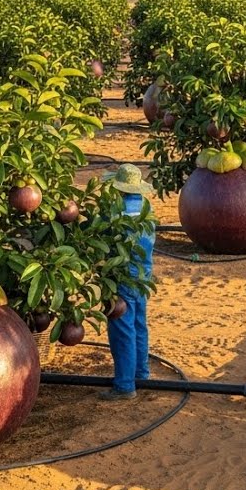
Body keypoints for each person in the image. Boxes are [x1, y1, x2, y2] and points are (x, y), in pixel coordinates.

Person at [98, 163, 158, 401]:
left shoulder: (115, 212)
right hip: (143, 276)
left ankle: (124, 385)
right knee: (139, 325)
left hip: (122, 276)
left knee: (122, 330)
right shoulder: (146, 206)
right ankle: (141, 374)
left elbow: (101, 238)